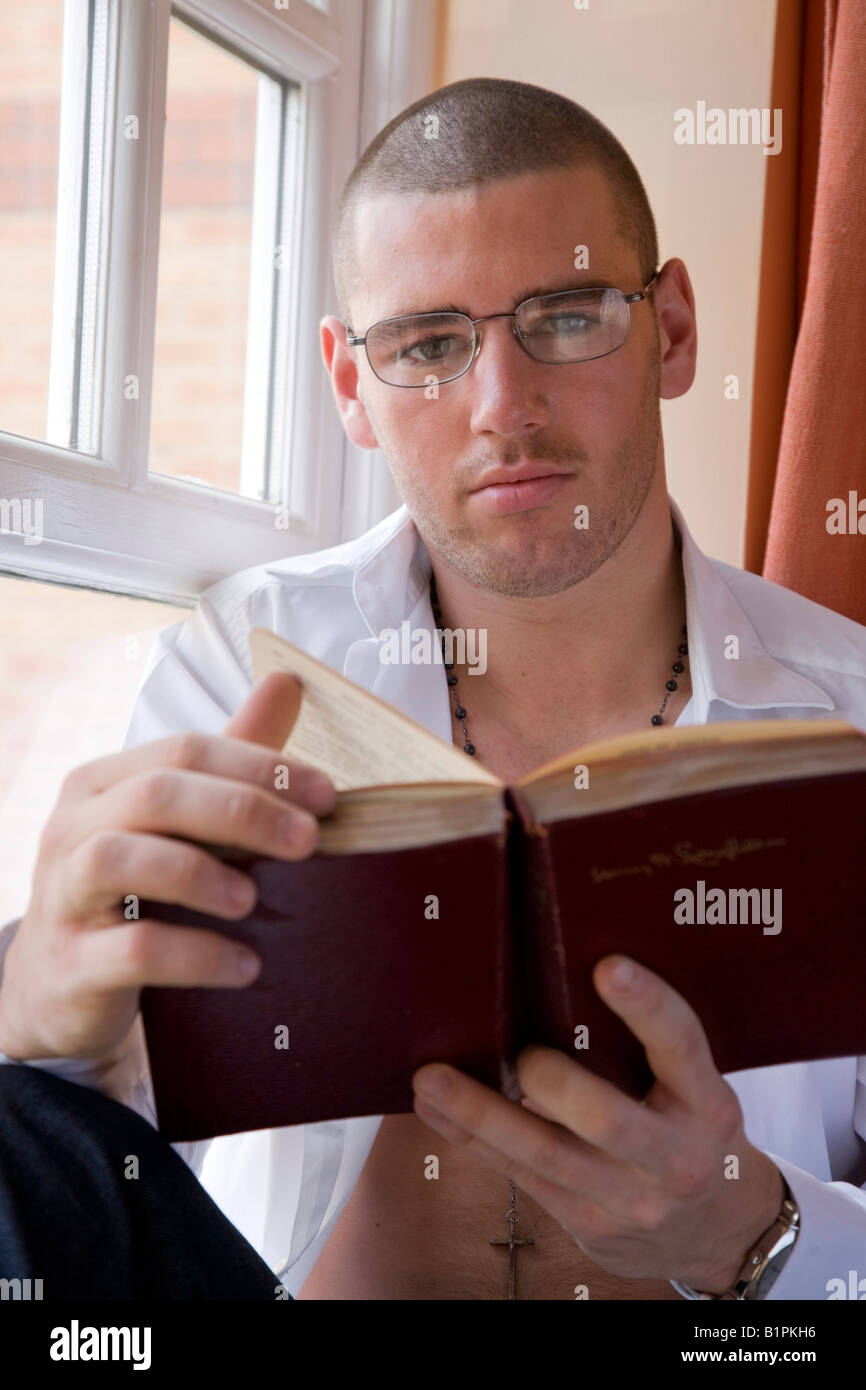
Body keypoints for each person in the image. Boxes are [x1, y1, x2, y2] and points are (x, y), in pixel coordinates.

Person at [1, 77, 865, 1302]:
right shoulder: (243, 659)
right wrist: (36, 1018)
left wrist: (753, 1234)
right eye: (426, 345)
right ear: (350, 386)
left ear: (670, 329)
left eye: (566, 316)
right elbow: (115, 1140)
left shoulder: (851, 719)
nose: (501, 408)